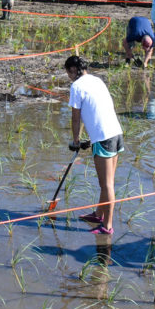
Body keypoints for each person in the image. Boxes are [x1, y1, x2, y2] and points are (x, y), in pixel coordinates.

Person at [65, 55, 124, 235]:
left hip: (103, 138)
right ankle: (99, 214)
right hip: (116, 132)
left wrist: (76, 140)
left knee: (106, 184)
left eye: (68, 72)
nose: (68, 76)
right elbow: (94, 109)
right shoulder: (97, 80)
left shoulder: (76, 86)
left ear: (73, 71)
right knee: (107, 182)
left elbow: (76, 117)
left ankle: (107, 226)